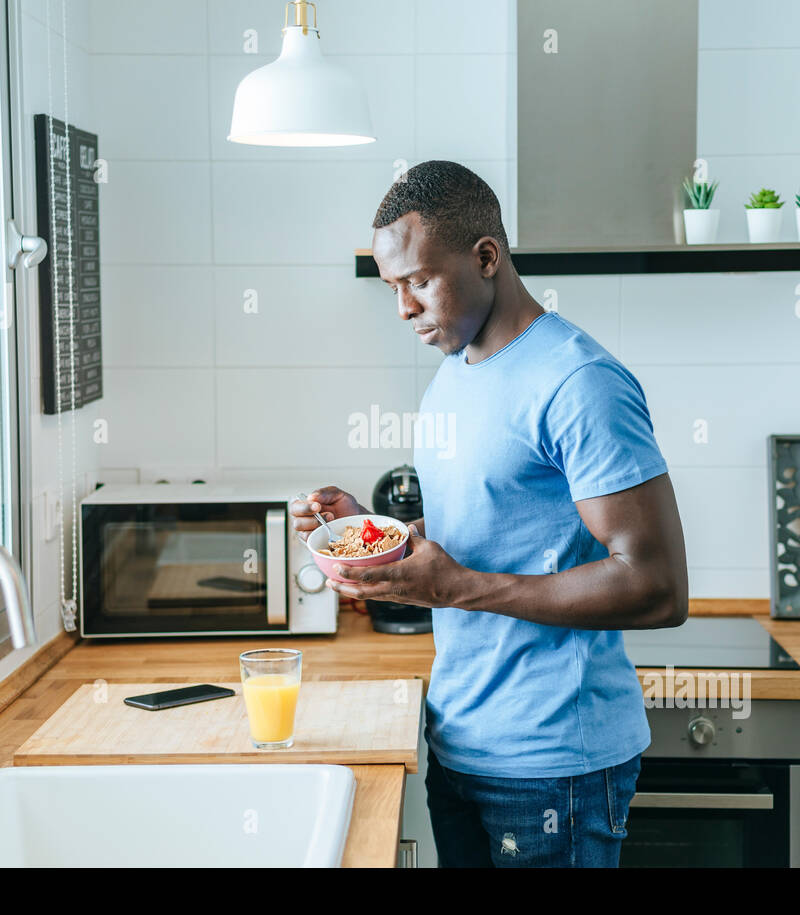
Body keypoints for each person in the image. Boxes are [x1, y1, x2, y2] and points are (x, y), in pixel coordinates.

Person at [291, 160, 688, 867]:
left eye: (417, 280)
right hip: (461, 741)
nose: (404, 309)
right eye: (392, 288)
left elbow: (658, 586)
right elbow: (486, 532)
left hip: (555, 764)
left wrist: (456, 587)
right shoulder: (457, 370)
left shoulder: (579, 381)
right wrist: (372, 533)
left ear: (485, 257)